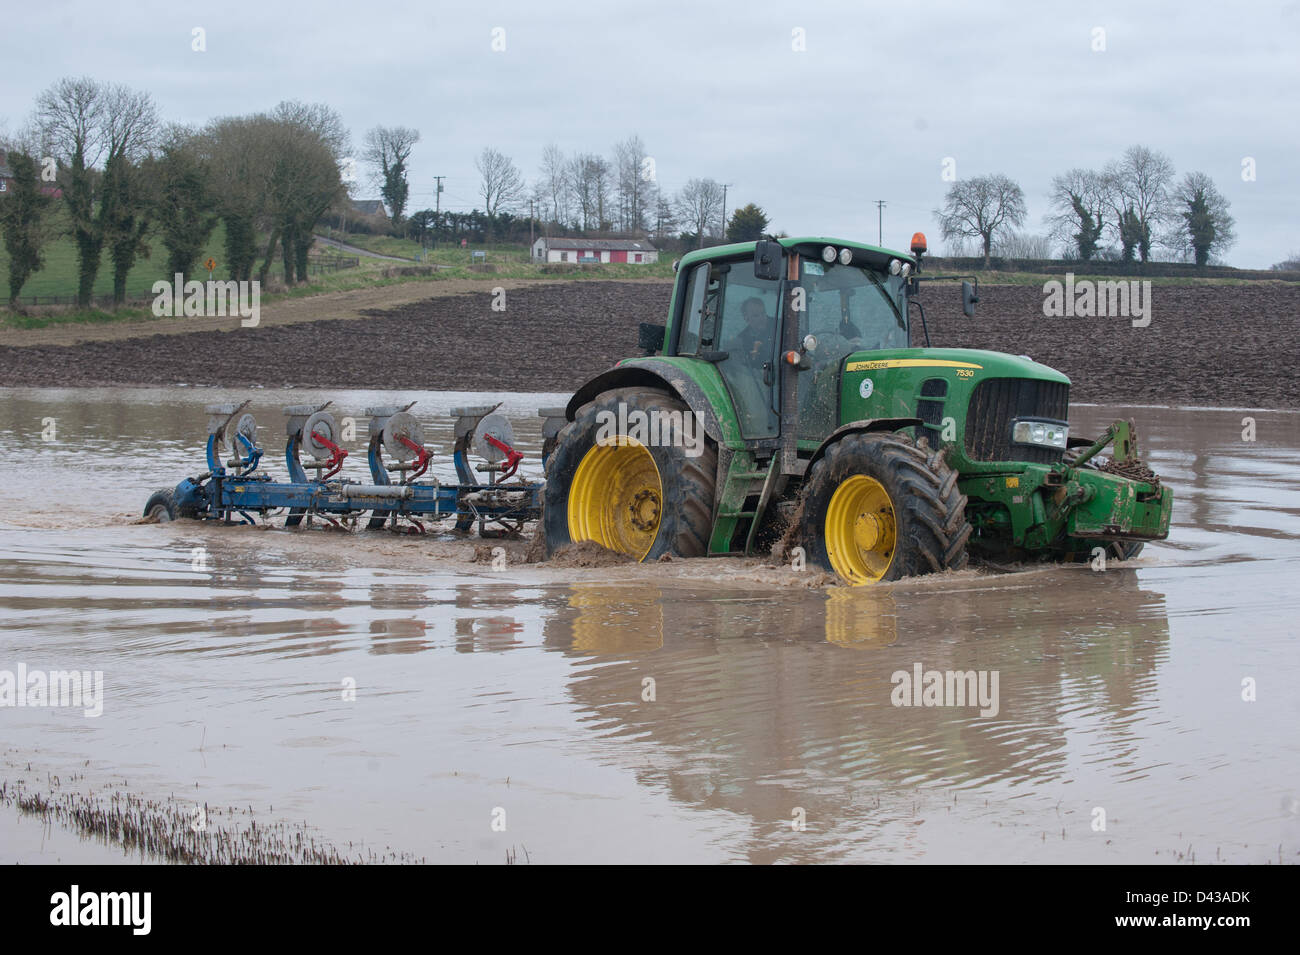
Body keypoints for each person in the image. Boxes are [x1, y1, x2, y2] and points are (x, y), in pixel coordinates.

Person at [733, 296, 772, 366]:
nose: (761, 318)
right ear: (746, 318)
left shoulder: (779, 327)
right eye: (756, 315)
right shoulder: (742, 339)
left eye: (763, 313)